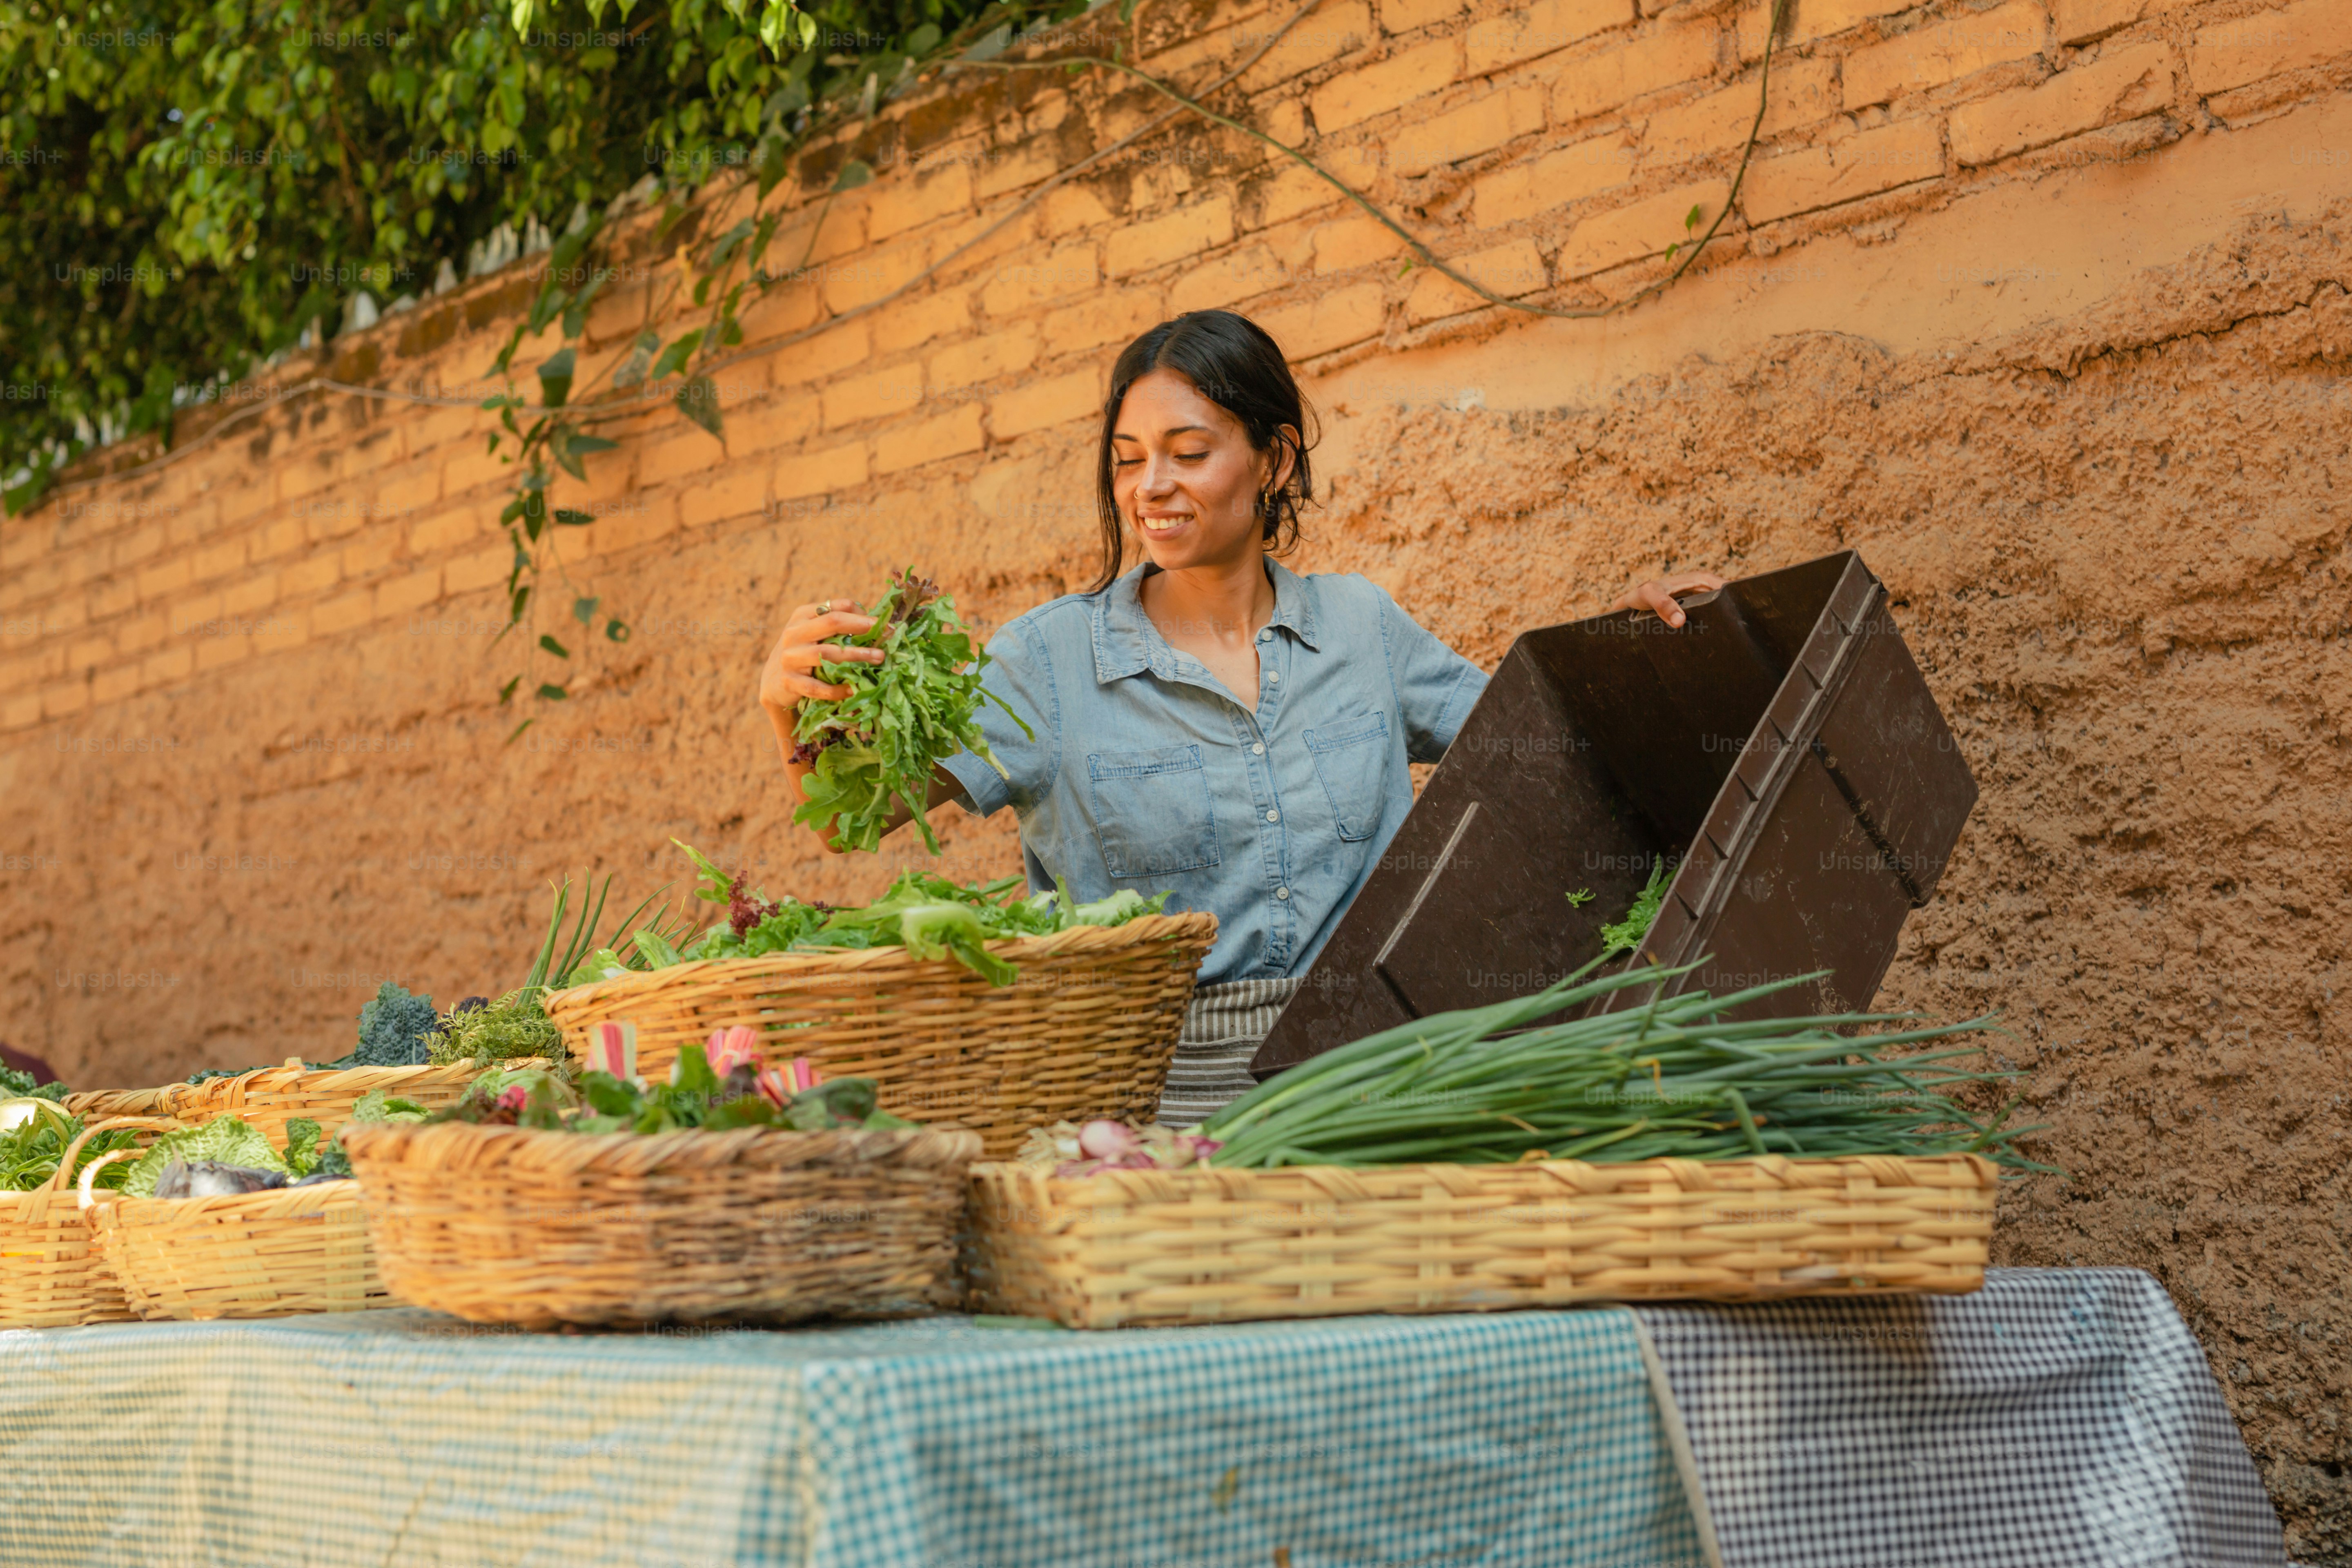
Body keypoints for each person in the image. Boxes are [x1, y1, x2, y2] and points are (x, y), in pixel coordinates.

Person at [759, 310, 1719, 1123]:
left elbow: (1540, 746)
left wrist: (1628, 648)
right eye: (1129, 461)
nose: (1151, 488)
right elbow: (856, 819)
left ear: (1274, 459)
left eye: (1189, 453)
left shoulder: (1360, 626)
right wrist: (793, 715)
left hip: (1383, 1081)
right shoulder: (1048, 663)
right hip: (1156, 1109)